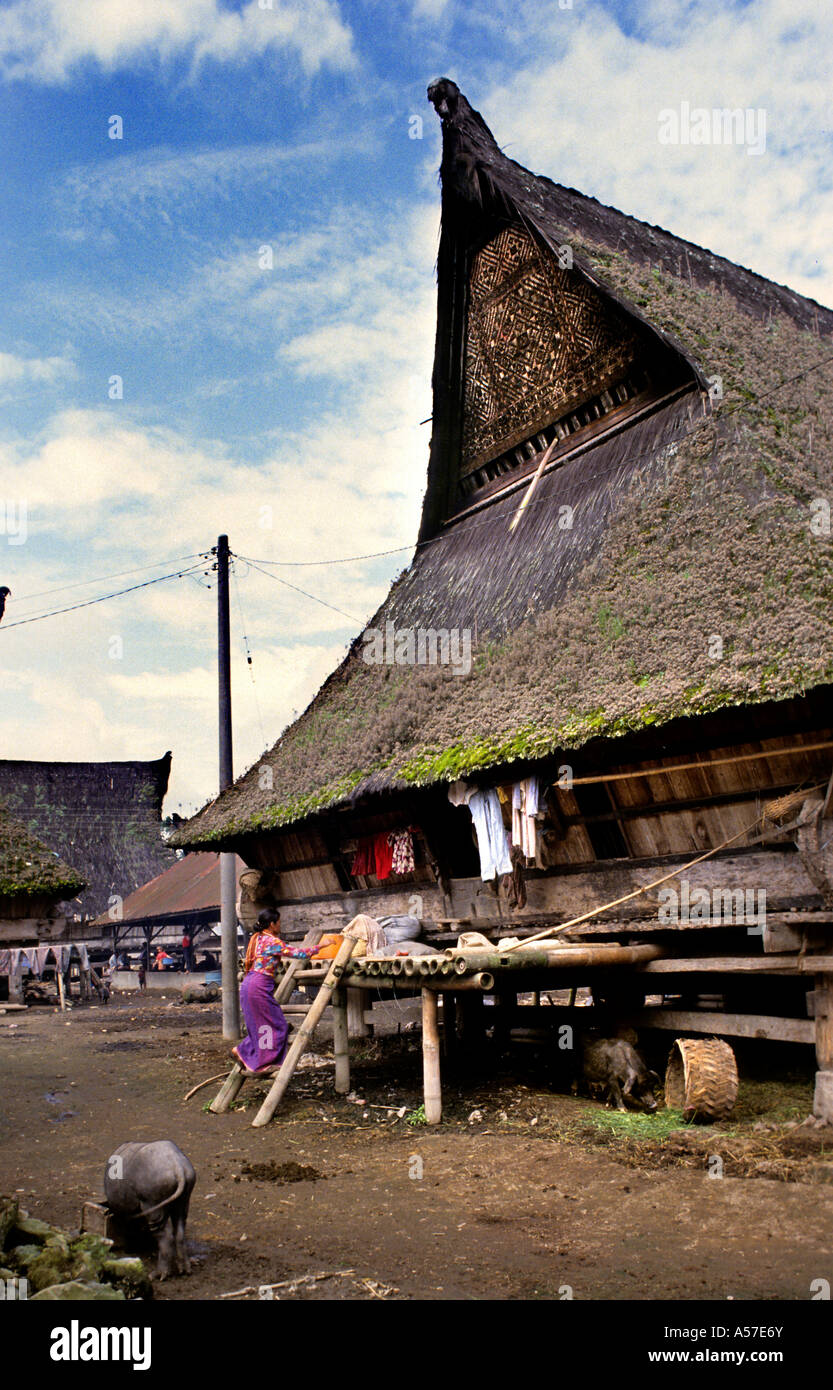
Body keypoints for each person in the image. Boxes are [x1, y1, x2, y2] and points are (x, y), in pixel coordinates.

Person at [232, 908, 316, 1076]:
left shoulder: (257, 938)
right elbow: (297, 953)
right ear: (272, 924)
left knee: (261, 1025)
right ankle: (265, 1063)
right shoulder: (272, 942)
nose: (280, 926)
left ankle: (241, 1050)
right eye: (279, 922)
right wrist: (320, 947)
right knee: (274, 1025)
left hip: (250, 983)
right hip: (259, 986)